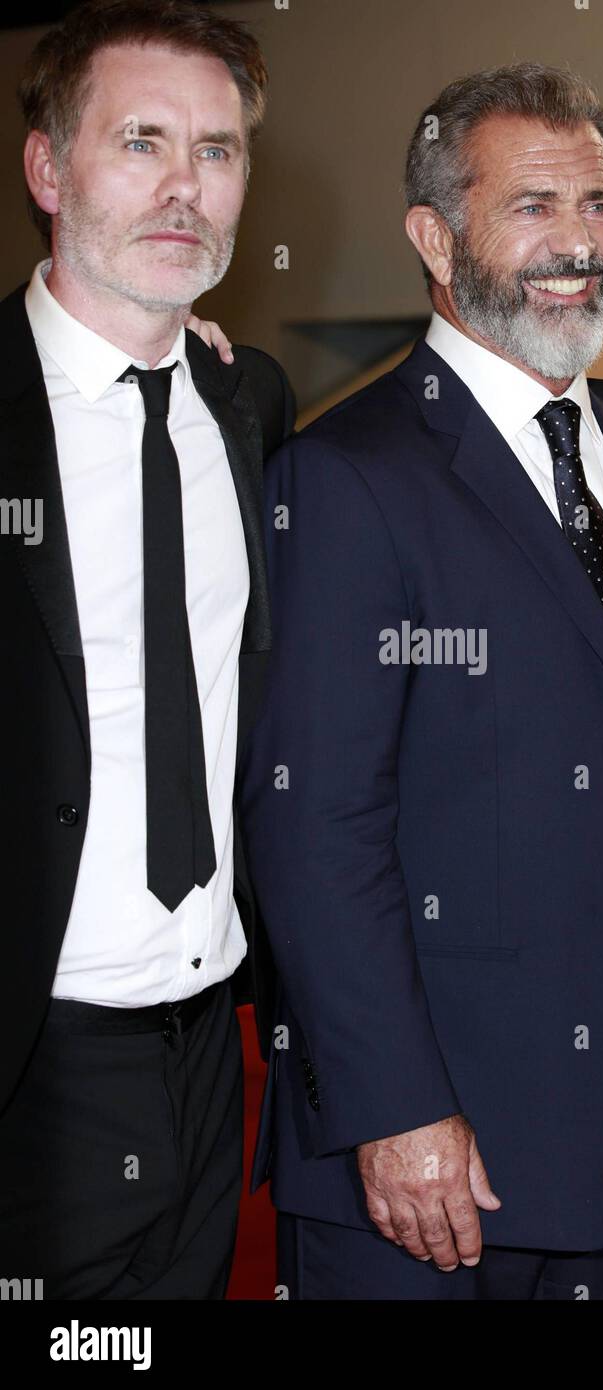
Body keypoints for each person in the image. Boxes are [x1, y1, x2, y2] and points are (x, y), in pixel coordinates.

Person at [240, 63, 603, 1301]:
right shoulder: (344, 480)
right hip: (432, 1169)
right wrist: (394, 1110)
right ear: (433, 239)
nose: (578, 244)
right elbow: (312, 828)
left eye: (595, 205)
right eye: (530, 208)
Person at [0, 0, 293, 1298]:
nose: (189, 185)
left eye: (219, 150)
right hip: (35, 1057)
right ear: (49, 169)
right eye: (143, 141)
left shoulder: (248, 401)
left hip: (208, 1037)